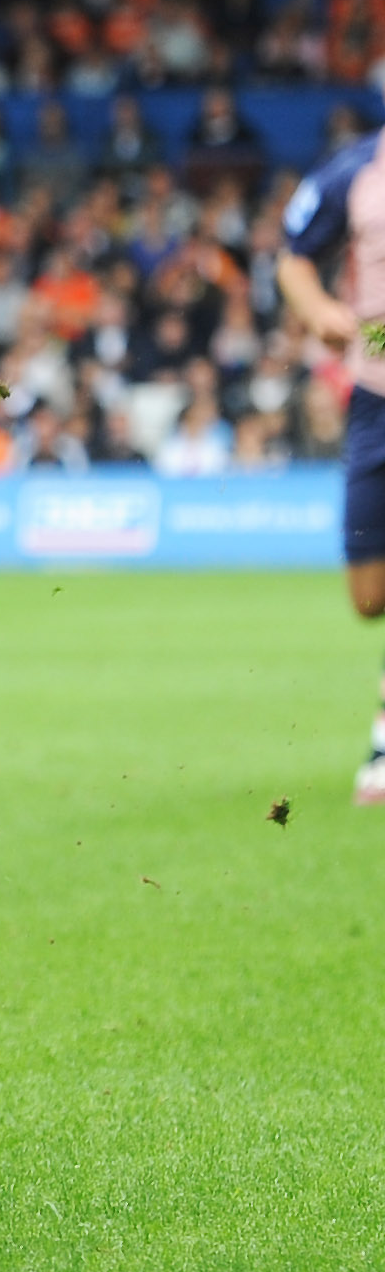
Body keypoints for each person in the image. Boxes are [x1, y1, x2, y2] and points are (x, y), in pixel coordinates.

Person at [274, 129, 385, 804]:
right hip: (376, 392)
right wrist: (317, 309)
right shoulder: (357, 172)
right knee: (369, 600)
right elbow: (294, 257)